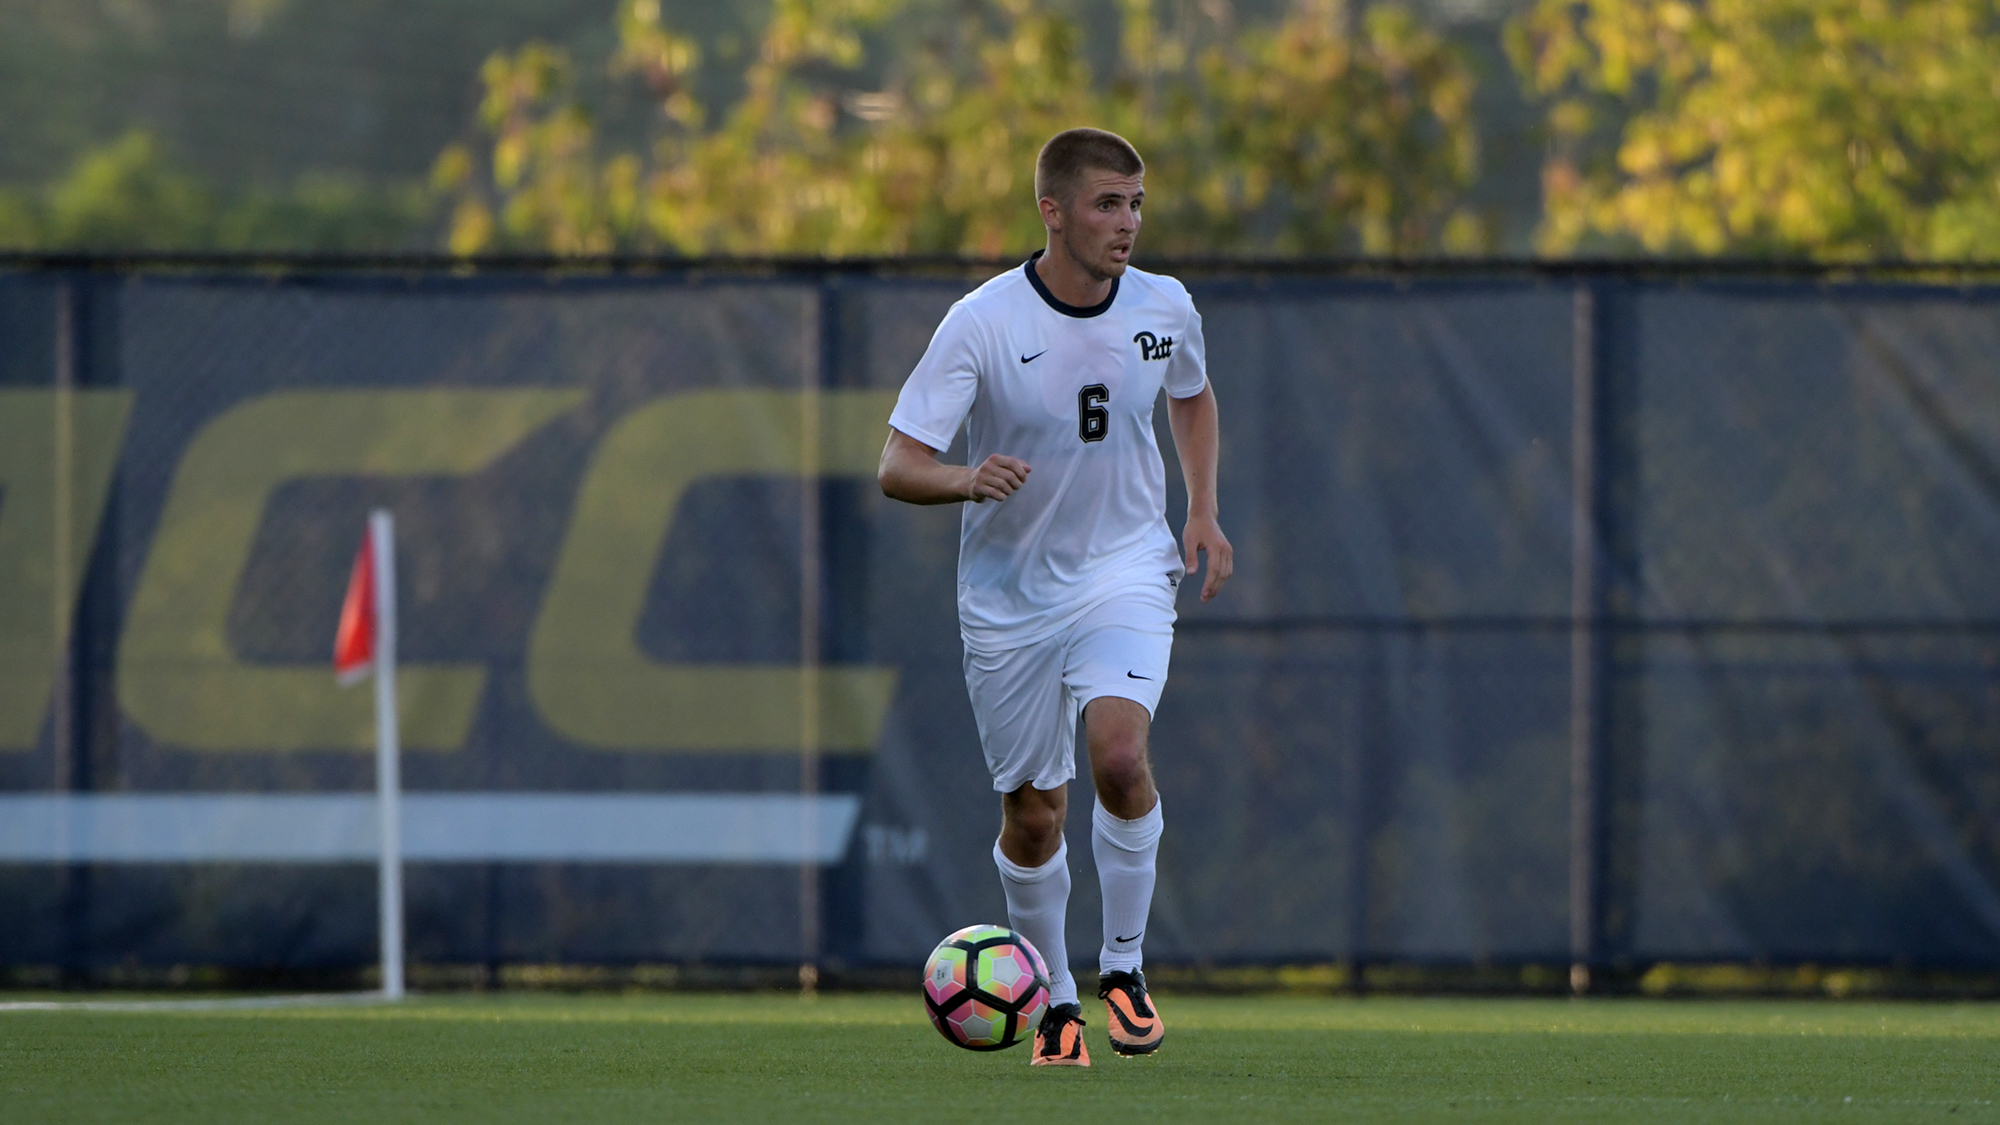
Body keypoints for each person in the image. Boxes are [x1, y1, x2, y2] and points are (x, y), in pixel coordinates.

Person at [878, 127, 1231, 1066]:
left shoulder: (1165, 306)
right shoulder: (984, 322)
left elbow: (1190, 396)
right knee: (1035, 814)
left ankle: (1123, 968)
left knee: (1118, 755)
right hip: (1009, 600)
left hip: (1126, 569)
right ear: (1054, 212)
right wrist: (964, 480)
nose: (1128, 223)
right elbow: (897, 464)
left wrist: (1201, 508)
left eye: (1137, 204)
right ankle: (1060, 998)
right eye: (1108, 204)